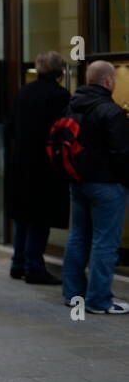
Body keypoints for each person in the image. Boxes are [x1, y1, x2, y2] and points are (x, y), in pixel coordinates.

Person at [60, 60, 129, 315]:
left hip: (78, 182)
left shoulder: (72, 105)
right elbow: (122, 152)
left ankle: (73, 295)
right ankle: (99, 300)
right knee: (104, 242)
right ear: (108, 81)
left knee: (78, 236)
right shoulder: (111, 111)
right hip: (107, 185)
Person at [5, 51, 69, 286]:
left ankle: (18, 263)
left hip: (21, 163)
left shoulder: (23, 92)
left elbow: (10, 128)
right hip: (45, 166)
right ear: (60, 72)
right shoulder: (60, 96)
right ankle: (34, 266)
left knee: (23, 216)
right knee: (40, 218)